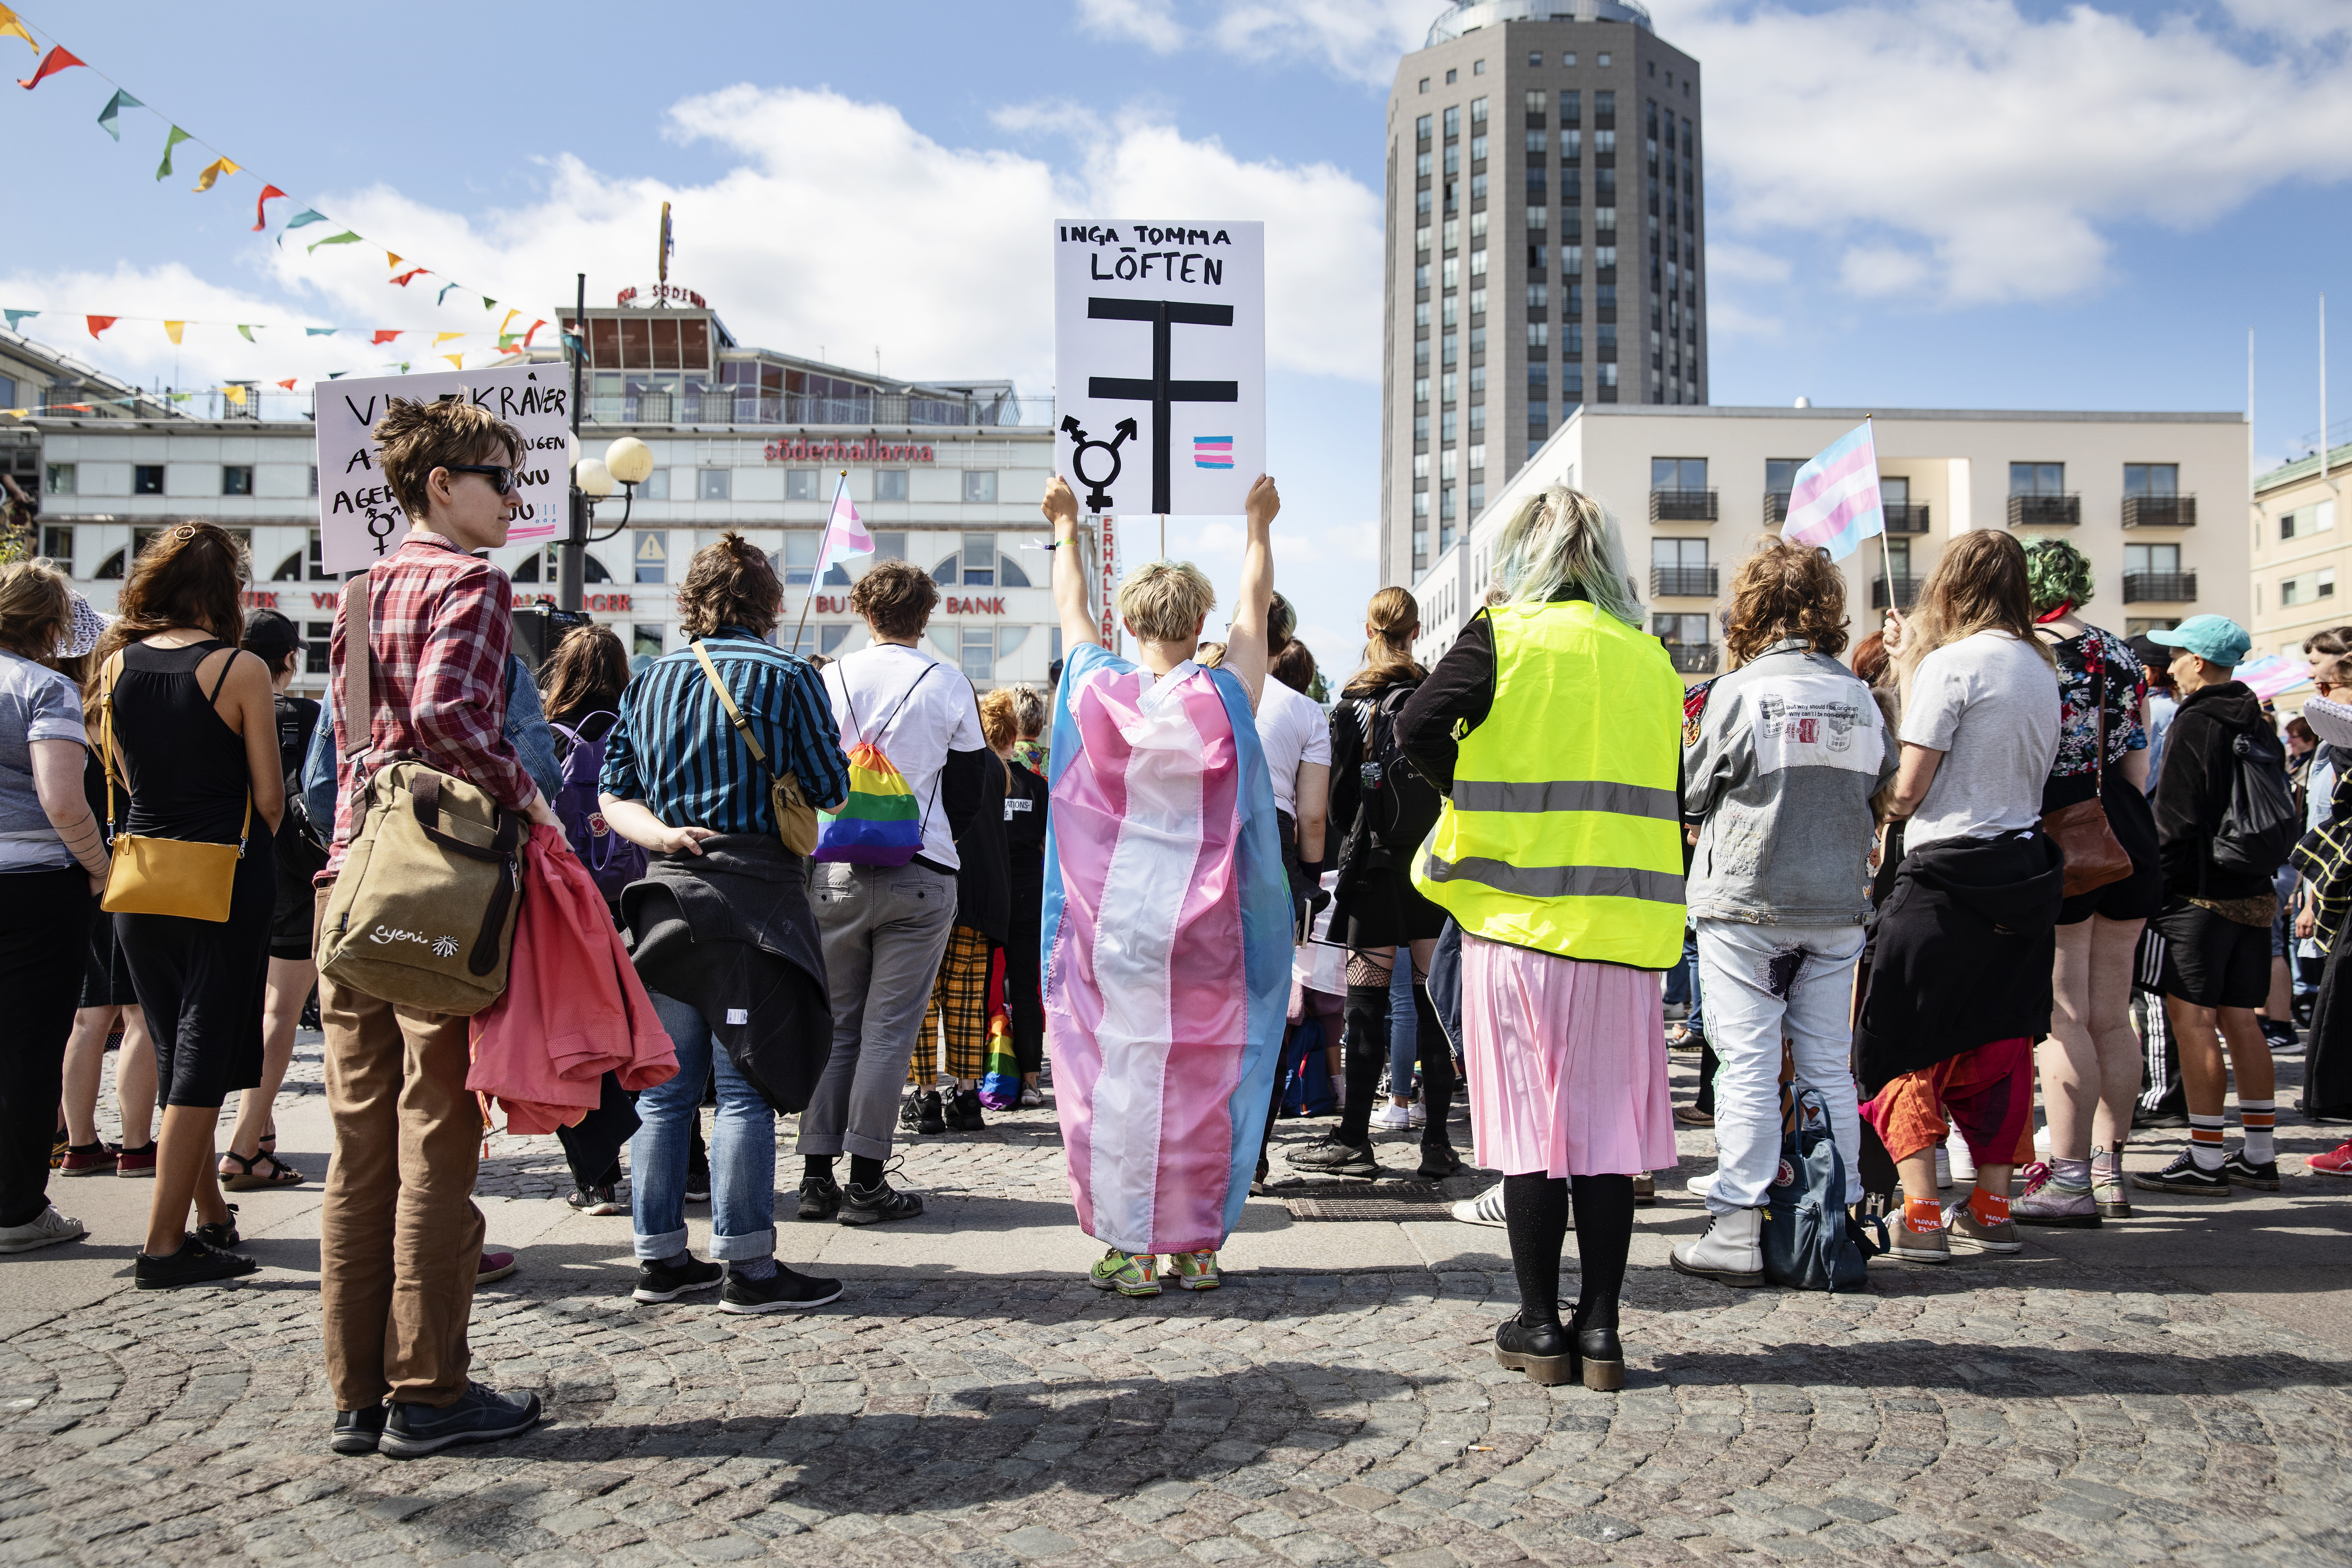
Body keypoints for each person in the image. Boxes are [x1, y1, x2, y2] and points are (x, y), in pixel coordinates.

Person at [316, 397, 563, 1458]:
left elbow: (351, 732)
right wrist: (531, 798)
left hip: (352, 877)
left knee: (358, 1146)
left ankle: (356, 1390)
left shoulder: (362, 586)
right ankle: (428, 1388)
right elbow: (456, 723)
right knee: (435, 1139)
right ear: (439, 485)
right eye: (500, 478)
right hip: (436, 885)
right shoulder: (472, 580)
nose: (517, 496)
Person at [1393, 484, 1680, 1390]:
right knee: (1604, 1140)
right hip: (1625, 930)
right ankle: (1601, 1330)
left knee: (1532, 1131)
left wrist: (1468, 792)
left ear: (1520, 556)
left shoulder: (1499, 636)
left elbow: (1414, 727)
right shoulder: (1648, 659)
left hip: (1518, 924)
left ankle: (1537, 1323)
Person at [1040, 471, 1290, 1297]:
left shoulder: (1094, 689)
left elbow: (1069, 606)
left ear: (1132, 621)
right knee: (1202, 1076)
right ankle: (1197, 1246)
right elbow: (1256, 612)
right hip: (1208, 929)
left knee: (1116, 1077)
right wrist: (1257, 527)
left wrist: (1068, 527)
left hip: (1115, 936)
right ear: (1196, 621)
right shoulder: (1226, 694)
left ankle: (1133, 1249)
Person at [598, 533, 849, 1312]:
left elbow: (613, 793)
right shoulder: (789, 675)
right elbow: (832, 784)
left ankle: (660, 1258)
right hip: (756, 901)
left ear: (692, 600)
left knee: (665, 1090)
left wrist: (666, 836)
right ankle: (749, 1265)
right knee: (744, 1086)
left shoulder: (648, 678)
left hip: (665, 897)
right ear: (773, 604)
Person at [1669, 539, 1893, 1285]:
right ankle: (1840, 1217)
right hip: (1834, 902)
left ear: (1751, 607)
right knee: (1829, 1062)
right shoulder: (1859, 694)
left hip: (1748, 899)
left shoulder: (1738, 690)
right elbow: (1881, 784)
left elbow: (1694, 789)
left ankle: (1736, 1225)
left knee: (1748, 1064)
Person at [1857, 530, 2064, 1264]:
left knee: (1908, 1038)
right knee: (2002, 1044)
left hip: (1945, 873)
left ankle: (1920, 1212)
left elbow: (1912, 786)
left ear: (1949, 586)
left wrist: (1875, 817)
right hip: (2023, 870)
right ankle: (1992, 1205)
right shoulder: (2043, 667)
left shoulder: (1953, 665)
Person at [88, 525, 283, 1286]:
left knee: (175, 1045)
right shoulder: (240, 668)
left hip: (140, 874)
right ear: (226, 591)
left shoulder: (112, 669)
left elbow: (123, 778)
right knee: (200, 1055)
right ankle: (163, 1245)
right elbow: (268, 796)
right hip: (224, 876)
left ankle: (207, 1217)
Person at [795, 560, 989, 1224]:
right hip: (921, 868)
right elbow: (970, 785)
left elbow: (806, 771)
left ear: (864, 612)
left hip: (836, 869)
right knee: (889, 1033)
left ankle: (816, 1176)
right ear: (926, 616)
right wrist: (934, 831)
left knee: (837, 1026)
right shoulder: (948, 682)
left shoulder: (827, 679)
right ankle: (868, 1181)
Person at [2007, 539, 2160, 1228]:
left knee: (2062, 1013)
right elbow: (2137, 758)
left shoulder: (2027, 651)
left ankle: (2067, 1177)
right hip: (2126, 828)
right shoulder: (2122, 653)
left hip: (2060, 825)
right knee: (2111, 1007)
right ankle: (2109, 1169)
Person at [1291, 586, 1461, 1181]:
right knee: (1432, 1001)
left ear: (1369, 628)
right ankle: (1437, 1142)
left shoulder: (1350, 707)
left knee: (1366, 1003)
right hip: (1431, 874)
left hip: (1371, 871)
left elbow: (1338, 807)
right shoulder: (1431, 698)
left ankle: (1356, 1138)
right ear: (1416, 632)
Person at [2133, 615, 2291, 1196]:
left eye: (2176, 655)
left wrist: (2154, 891)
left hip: (2197, 896)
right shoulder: (2257, 715)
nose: (2169, 665)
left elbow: (2174, 820)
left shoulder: (2198, 719)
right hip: (2253, 889)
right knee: (2241, 1021)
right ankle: (2258, 1152)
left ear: (2198, 662)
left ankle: (2205, 1157)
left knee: (2193, 1022)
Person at [0, 560, 111, 1252]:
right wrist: (100, 869)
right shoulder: (44, 688)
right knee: (28, 1045)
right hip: (35, 886)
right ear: (49, 627)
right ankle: (16, 1208)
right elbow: (64, 800)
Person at [537, 622, 653, 1216]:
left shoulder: (549, 738)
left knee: (579, 1039)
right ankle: (685, 1165)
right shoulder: (637, 731)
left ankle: (596, 1179)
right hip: (640, 900)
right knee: (653, 1034)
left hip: (565, 904)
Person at [212, 609, 322, 1194]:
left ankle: (262, 1134)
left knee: (245, 1004)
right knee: (280, 1013)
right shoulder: (308, 717)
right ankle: (244, 1144)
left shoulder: (214, 708)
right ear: (289, 659)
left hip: (221, 866)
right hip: (292, 871)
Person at [903, 677, 1010, 1134]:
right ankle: (967, 1097)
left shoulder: (931, 754)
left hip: (934, 884)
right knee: (968, 1002)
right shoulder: (992, 764)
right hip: (984, 894)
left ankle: (926, 1097)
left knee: (924, 999)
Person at [997, 684, 1051, 1108]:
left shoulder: (985, 777)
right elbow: (1048, 848)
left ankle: (978, 1078)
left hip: (990, 890)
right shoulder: (1042, 782)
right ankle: (1032, 1081)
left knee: (982, 986)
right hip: (1031, 891)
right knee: (1028, 988)